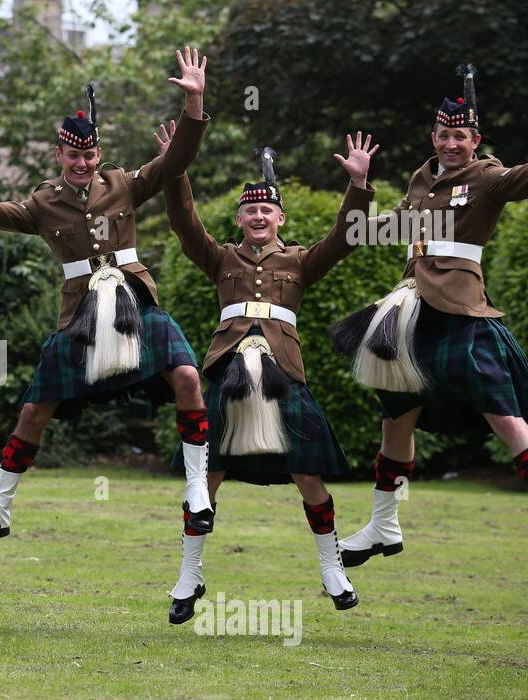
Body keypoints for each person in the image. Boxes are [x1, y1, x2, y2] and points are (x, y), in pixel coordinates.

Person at [0, 48, 214, 549]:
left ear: (97, 152)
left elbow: (178, 158)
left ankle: (197, 488)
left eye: (90, 155)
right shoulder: (42, 202)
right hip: (80, 315)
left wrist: (193, 103)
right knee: (33, 412)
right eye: (75, 156)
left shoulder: (125, 183)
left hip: (134, 299)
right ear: (59, 156)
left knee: (188, 376)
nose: (84, 163)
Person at [332, 65, 528, 565]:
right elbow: (363, 232)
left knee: (504, 415)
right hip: (407, 319)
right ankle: (384, 526)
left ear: (475, 141)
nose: (451, 144)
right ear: (434, 136)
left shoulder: (488, 178)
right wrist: (360, 185)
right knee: (396, 422)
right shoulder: (421, 180)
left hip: (461, 315)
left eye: (461, 136)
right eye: (444, 135)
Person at [162, 135, 379, 621]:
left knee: (308, 477)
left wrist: (359, 185)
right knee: (207, 477)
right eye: (249, 212)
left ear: (280, 218)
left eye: (267, 212)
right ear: (239, 219)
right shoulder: (219, 258)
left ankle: (333, 568)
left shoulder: (301, 261)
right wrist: (175, 168)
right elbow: (183, 222)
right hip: (226, 374)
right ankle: (188, 575)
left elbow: (346, 237)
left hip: (283, 374)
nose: (258, 218)